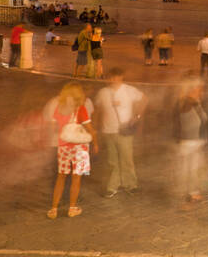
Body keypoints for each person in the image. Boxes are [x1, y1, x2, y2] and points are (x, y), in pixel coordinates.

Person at [48, 83, 97, 219]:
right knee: (76, 178)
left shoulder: (59, 108)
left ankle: (53, 209)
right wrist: (95, 141)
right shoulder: (80, 109)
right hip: (79, 148)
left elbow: (54, 128)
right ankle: (72, 208)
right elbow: (90, 129)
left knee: (61, 176)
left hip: (63, 147)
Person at [94, 68, 145, 198]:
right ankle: (112, 186)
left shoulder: (128, 90)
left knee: (127, 159)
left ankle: (131, 184)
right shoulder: (103, 92)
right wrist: (97, 127)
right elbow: (98, 110)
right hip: (108, 130)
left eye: (115, 77)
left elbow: (144, 99)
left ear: (121, 77)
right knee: (112, 160)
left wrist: (137, 116)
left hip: (124, 130)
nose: (112, 80)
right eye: (110, 77)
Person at [175, 79, 208, 203]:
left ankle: (189, 192)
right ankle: (187, 193)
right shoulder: (188, 102)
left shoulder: (191, 101)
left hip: (194, 140)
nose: (201, 91)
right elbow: (202, 117)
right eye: (199, 88)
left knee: (191, 168)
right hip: (190, 141)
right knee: (189, 168)